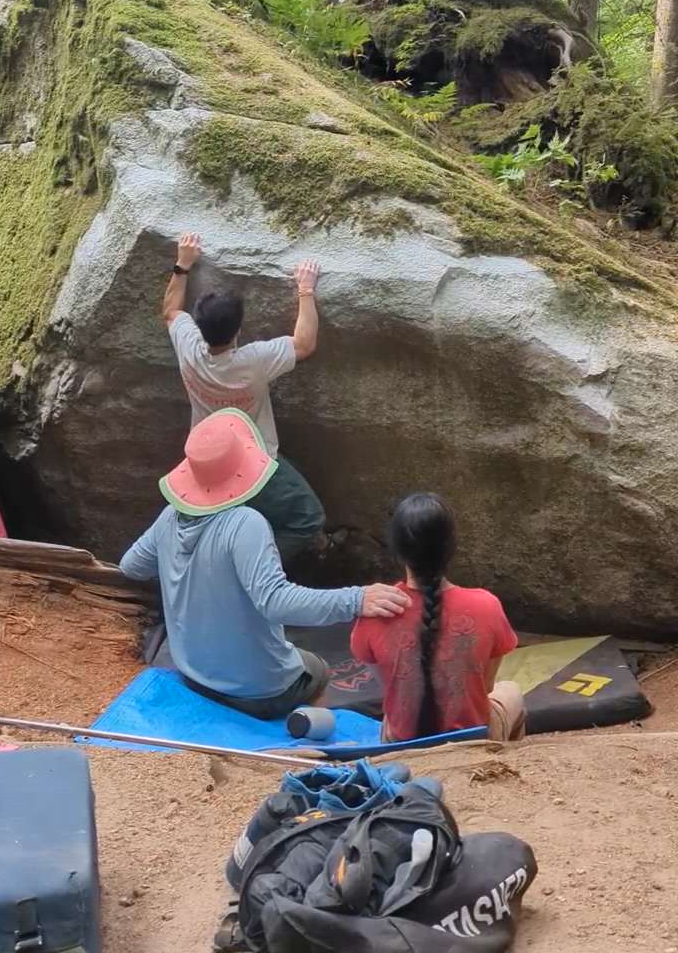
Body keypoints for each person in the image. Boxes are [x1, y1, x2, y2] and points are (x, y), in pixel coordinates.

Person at [120, 409, 409, 720]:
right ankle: (310, 736)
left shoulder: (169, 518)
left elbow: (131, 566)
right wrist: (357, 599)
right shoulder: (246, 523)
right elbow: (276, 602)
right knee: (318, 670)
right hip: (257, 690)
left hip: (192, 674)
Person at [162, 231, 325, 561]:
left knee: (206, 522)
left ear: (199, 325)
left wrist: (182, 265)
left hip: (206, 463)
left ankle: (212, 561)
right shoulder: (253, 361)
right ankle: (251, 565)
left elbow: (170, 311)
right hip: (257, 463)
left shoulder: (188, 347)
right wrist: (305, 290)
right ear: (238, 331)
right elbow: (304, 344)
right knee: (309, 519)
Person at [350, 492, 525, 743]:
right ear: (451, 547)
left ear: (397, 550)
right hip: (473, 739)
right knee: (511, 690)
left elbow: (392, 688)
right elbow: (486, 688)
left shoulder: (374, 613)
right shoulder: (487, 605)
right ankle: (505, 767)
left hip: (400, 742)